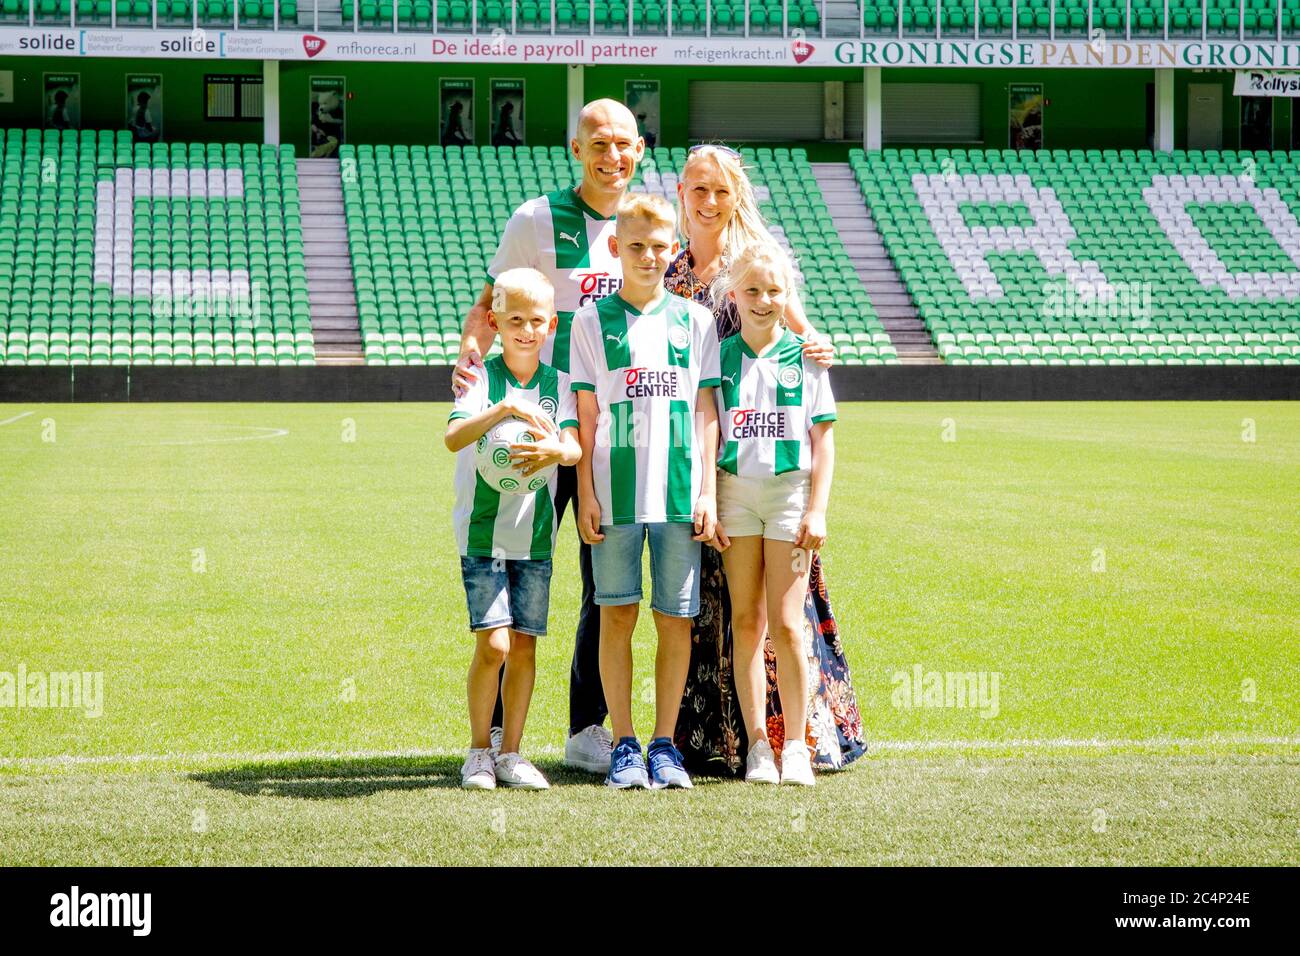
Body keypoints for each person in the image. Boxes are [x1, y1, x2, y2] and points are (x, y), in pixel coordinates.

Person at [454, 99, 644, 774]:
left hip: (615, 432)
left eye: (623, 143)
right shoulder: (535, 219)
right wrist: (471, 359)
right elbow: (489, 303)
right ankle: (496, 743)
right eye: (599, 142)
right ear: (576, 147)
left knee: (604, 581)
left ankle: (585, 726)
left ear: (640, 151)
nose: (611, 154)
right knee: (513, 567)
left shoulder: (642, 227)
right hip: (538, 429)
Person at [665, 144, 866, 775]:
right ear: (682, 192)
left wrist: (814, 342)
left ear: (736, 195)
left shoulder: (757, 262)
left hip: (776, 476)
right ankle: (732, 742)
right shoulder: (665, 269)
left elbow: (797, 333)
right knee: (725, 610)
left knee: (785, 618)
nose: (710, 200)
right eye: (700, 188)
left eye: (722, 190)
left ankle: (796, 739)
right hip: (708, 464)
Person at [570, 193, 721, 789]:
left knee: (675, 620)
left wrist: (707, 489)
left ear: (673, 250)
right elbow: (584, 417)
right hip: (614, 495)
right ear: (615, 249)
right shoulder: (589, 321)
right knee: (616, 615)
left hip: (681, 497)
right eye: (635, 246)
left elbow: (706, 408)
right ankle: (624, 743)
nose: (648, 257)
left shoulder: (696, 321)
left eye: (660, 247)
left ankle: (665, 744)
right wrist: (584, 490)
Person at [444, 269, 581, 790]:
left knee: (524, 645)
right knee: (494, 644)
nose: (526, 329)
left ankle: (512, 754)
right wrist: (504, 408)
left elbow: (572, 446)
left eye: (536, 321)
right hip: (483, 533)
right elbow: (454, 438)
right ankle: (479, 751)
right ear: (496, 322)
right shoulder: (479, 379)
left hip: (535, 536)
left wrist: (556, 450)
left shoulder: (560, 385)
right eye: (515, 319)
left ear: (550, 326)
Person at [709, 243, 836, 786]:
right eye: (753, 291)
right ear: (734, 295)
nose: (764, 300)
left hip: (789, 498)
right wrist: (708, 500)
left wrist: (818, 509)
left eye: (775, 291)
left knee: (787, 625)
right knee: (746, 622)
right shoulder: (717, 356)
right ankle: (758, 744)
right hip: (735, 496)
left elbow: (825, 441)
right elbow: (706, 428)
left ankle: (798, 748)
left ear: (789, 297)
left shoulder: (807, 358)